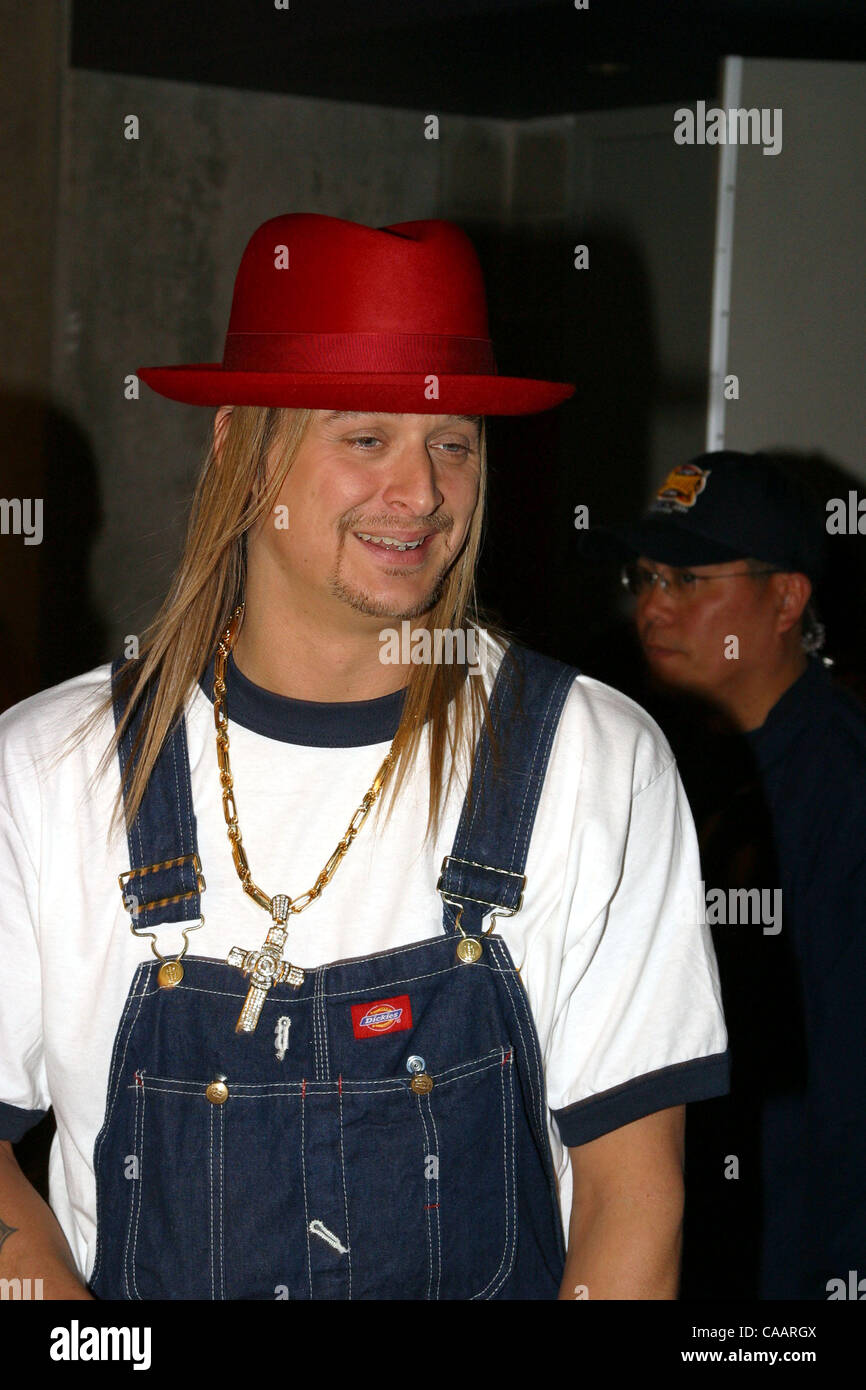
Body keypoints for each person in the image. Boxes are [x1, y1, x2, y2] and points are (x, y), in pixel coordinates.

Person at [0, 213, 729, 1302]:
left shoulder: (591, 759)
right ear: (242, 450)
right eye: (363, 438)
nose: (420, 492)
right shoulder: (51, 767)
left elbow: (635, 1199)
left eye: (452, 441)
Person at [610, 450, 866, 1300]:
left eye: (687, 578)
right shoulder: (669, 759)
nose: (653, 605)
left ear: (787, 599)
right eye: (645, 575)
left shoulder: (841, 784)